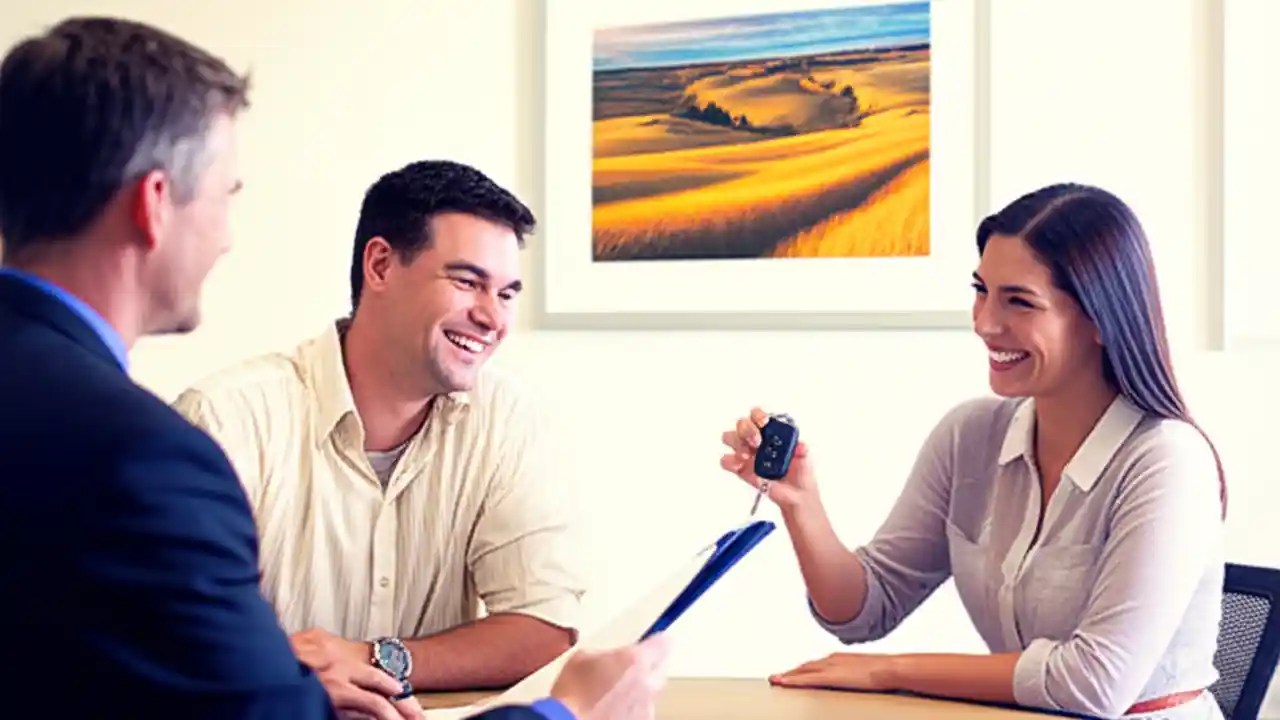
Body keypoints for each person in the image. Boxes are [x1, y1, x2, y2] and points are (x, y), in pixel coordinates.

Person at [0, 15, 670, 720]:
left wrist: (369, 660)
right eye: (226, 195)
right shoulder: (157, 453)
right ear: (155, 204)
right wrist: (564, 716)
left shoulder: (69, 414)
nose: (228, 238)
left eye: (506, 293)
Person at [720, 183, 1227, 720]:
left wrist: (892, 672)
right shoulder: (971, 435)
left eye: (1019, 301)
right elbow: (862, 611)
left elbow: (1094, 684)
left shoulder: (1167, 462)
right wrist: (802, 503)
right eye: (981, 290)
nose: (985, 322)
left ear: (1102, 319)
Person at [170, 159, 583, 700]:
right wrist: (292, 680)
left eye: (506, 293)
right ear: (381, 265)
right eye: (466, 281)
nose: (493, 317)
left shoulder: (503, 417)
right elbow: (167, 640)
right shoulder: (225, 420)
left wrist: (373, 660)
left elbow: (544, 629)